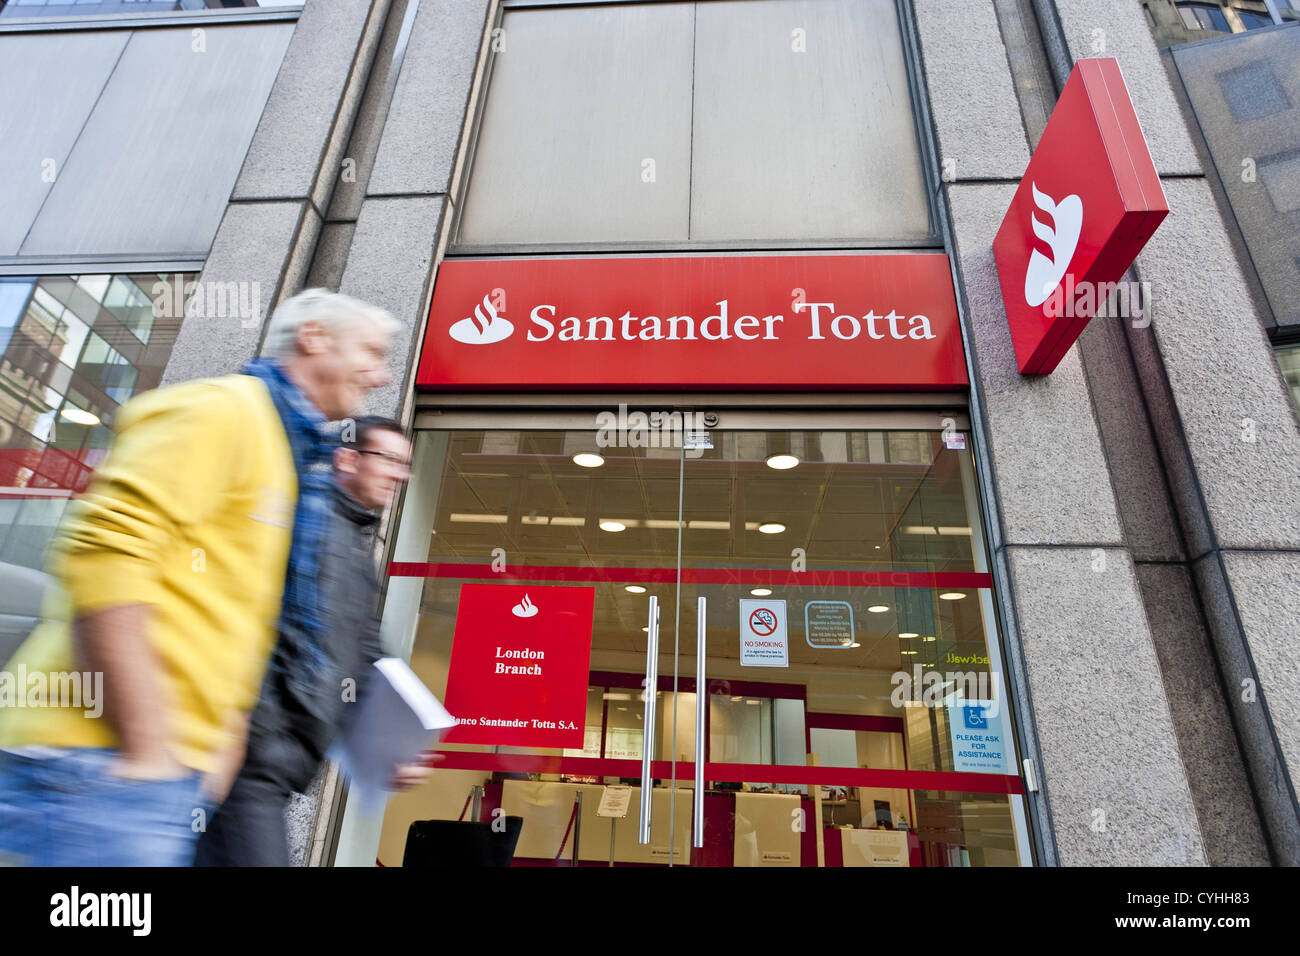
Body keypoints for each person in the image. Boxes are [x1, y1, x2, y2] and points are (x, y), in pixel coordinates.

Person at [0, 289, 398, 866]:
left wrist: (219, 750)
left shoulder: (287, 460)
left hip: (164, 779)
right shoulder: (222, 410)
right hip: (96, 768)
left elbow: (238, 617)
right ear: (315, 337)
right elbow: (106, 556)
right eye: (371, 351)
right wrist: (148, 750)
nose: (382, 375)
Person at [194, 416, 430, 867]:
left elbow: (363, 657)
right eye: (390, 460)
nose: (401, 475)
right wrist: (257, 731)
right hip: (254, 758)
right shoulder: (305, 522)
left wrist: (391, 748)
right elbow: (251, 619)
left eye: (406, 465)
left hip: (278, 763)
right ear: (346, 458)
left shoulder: (355, 545)